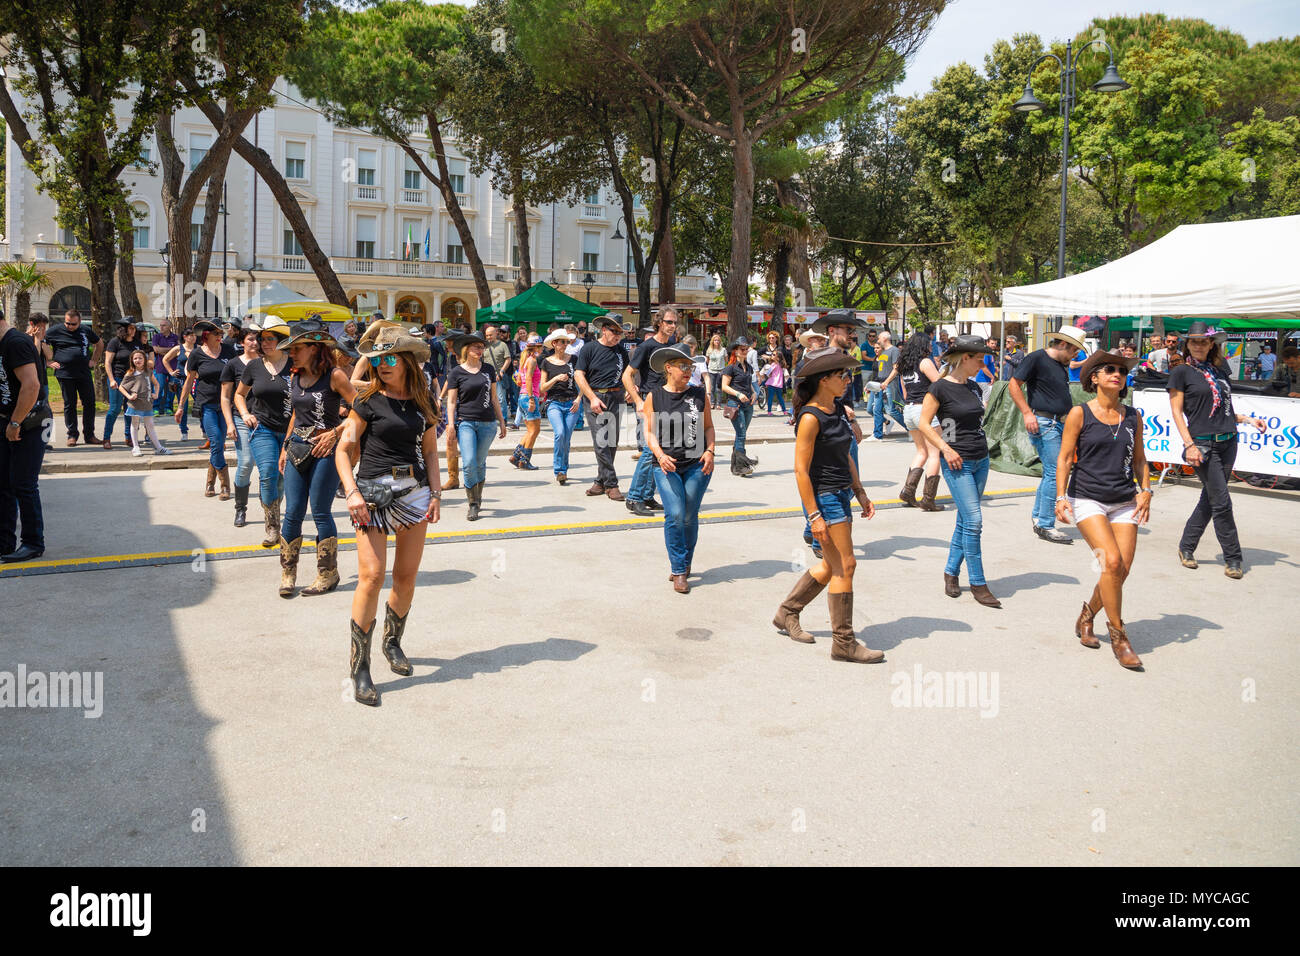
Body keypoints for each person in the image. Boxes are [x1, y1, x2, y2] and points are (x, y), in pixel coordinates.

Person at [336, 325, 442, 706]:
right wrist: (351, 493)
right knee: (371, 575)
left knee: (406, 576)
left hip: (414, 494)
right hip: (371, 495)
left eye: (390, 357)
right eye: (377, 358)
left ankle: (392, 641)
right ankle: (359, 665)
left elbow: (430, 450)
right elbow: (343, 450)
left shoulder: (422, 400)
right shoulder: (366, 399)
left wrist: (436, 492)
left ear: (407, 361)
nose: (382, 365)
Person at [774, 347, 882, 662]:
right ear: (824, 380)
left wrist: (859, 490)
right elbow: (800, 470)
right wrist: (814, 515)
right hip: (824, 499)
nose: (848, 380)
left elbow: (844, 453)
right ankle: (843, 643)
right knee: (845, 566)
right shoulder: (810, 417)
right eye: (841, 375)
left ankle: (787, 612)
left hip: (841, 495)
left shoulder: (836, 409)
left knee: (830, 565)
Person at [1055, 349, 1150, 670]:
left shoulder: (1133, 416)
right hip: (1087, 498)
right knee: (1110, 561)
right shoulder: (1079, 413)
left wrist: (1146, 490)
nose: (1117, 374)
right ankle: (1119, 635)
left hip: (1124, 499)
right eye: (1109, 369)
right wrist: (1060, 497)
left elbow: (1139, 459)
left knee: (1119, 571)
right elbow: (1065, 458)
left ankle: (1086, 616)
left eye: (1122, 371)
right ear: (1093, 377)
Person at [1167, 322, 1267, 579]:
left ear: (1212, 344)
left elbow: (1224, 407)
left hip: (1228, 441)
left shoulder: (1219, 369)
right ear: (1187, 344)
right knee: (1221, 501)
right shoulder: (1181, 372)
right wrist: (1189, 444)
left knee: (1211, 498)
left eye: (1204, 341)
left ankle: (1186, 547)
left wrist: (1247, 420)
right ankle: (1233, 558)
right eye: (1194, 341)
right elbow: (1176, 412)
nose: (1199, 345)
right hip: (1202, 444)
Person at [917, 335, 1002, 608]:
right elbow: (924, 423)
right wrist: (946, 448)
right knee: (975, 521)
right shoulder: (940, 388)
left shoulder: (976, 387)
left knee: (966, 520)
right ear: (965, 358)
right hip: (957, 462)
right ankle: (978, 582)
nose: (982, 364)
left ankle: (950, 573)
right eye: (979, 359)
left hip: (981, 459)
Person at [277, 320, 358, 597]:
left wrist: (335, 433)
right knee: (292, 512)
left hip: (326, 450)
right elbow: (295, 417)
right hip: (297, 447)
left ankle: (327, 573)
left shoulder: (335, 376)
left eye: (297, 348)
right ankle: (288, 572)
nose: (292, 353)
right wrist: (284, 447)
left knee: (321, 511)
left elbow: (360, 410)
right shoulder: (294, 377)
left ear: (314, 348)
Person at [641, 343, 715, 593]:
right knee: (674, 514)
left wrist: (710, 451)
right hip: (665, 465)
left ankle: (685, 562)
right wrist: (660, 456)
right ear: (668, 368)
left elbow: (708, 428)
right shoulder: (655, 396)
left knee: (688, 516)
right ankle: (679, 569)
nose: (688, 370)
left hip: (697, 465)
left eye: (691, 366)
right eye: (683, 366)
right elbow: (649, 432)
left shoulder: (698, 394)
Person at [1007, 325, 1088, 545]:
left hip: (1056, 423)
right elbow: (1014, 385)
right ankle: (1045, 523)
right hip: (1045, 423)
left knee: (1051, 473)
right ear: (1063, 344)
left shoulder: (1059, 364)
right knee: (1055, 472)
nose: (1075, 356)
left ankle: (1039, 516)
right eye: (1074, 351)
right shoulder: (1036, 358)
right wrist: (1026, 413)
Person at [235, 318, 293, 548]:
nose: (264, 343)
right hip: (263, 429)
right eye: (262, 339)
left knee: (281, 479)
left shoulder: (295, 365)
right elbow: (239, 395)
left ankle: (274, 510)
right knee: (268, 473)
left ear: (281, 341)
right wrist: (245, 414)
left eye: (270, 339)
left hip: (290, 430)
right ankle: (272, 526)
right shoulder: (254, 366)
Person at [0, 306, 51, 562]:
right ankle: (5, 542)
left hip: (30, 422)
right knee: (4, 484)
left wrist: (15, 423)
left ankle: (33, 542)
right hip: (10, 421)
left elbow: (31, 387)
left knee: (23, 484)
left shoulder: (15, 342)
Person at [444, 332, 507, 521]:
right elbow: (452, 401)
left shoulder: (488, 369)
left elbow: (494, 398)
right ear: (466, 349)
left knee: (480, 462)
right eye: (476, 347)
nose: (480, 350)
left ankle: (477, 498)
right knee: (469, 462)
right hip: (465, 422)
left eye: (482, 347)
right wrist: (450, 424)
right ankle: (472, 504)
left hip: (488, 423)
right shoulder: (456, 372)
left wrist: (502, 422)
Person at [623, 310, 678, 515]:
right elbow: (627, 376)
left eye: (675, 322)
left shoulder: (671, 346)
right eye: (669, 322)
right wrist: (637, 400)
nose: (672, 325)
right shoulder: (646, 346)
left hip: (668, 400)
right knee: (649, 451)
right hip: (650, 400)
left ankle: (647, 495)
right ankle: (634, 497)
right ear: (659, 322)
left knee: (660, 451)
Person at [175, 320, 236, 499]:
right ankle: (225, 485)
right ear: (206, 335)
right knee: (217, 441)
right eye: (216, 334)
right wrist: (180, 407)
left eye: (221, 333)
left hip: (226, 406)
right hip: (206, 404)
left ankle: (210, 482)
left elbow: (237, 376)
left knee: (217, 444)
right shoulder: (196, 354)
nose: (220, 336)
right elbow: (188, 381)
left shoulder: (228, 351)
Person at [574, 314, 632, 501]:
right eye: (614, 332)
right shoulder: (589, 348)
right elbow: (579, 375)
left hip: (616, 396)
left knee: (611, 443)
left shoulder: (621, 351)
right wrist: (591, 398)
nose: (618, 336)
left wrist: (632, 389)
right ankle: (612, 484)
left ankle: (600, 481)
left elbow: (627, 375)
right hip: (596, 396)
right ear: (604, 329)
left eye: (620, 333)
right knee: (601, 442)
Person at [894, 331, 946, 512]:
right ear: (923, 345)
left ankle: (908, 491)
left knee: (921, 451)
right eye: (929, 343)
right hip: (924, 409)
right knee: (935, 453)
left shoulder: (905, 364)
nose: (931, 346)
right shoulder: (925, 362)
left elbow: (904, 389)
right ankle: (928, 499)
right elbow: (939, 384)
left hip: (909, 409)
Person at [221, 328, 261, 526]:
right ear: (242, 342)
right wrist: (229, 423)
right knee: (245, 463)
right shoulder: (233, 364)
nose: (254, 343)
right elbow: (226, 396)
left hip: (266, 421)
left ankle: (270, 505)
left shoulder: (268, 363)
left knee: (268, 467)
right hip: (241, 419)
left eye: (257, 340)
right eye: (250, 339)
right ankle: (240, 509)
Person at [45, 309, 102, 446]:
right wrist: (48, 361)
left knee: (89, 403)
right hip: (65, 374)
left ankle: (89, 435)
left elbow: (99, 343)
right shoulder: (55, 330)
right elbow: (42, 342)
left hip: (83, 373)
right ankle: (72, 435)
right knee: (69, 404)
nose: (69, 326)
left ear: (79, 322)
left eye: (73, 324)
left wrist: (94, 360)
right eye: (67, 323)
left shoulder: (85, 330)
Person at [103, 317, 152, 449]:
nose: (133, 330)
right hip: (118, 379)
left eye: (134, 328)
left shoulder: (137, 343)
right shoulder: (115, 342)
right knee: (115, 408)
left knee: (130, 410)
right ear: (123, 329)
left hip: (134, 380)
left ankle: (129, 437)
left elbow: (141, 360)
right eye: (131, 328)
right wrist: (112, 379)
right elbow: (107, 362)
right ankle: (106, 438)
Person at [540, 329, 580, 485]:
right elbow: (542, 388)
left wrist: (578, 399)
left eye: (567, 341)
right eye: (562, 341)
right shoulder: (546, 362)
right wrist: (556, 378)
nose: (565, 344)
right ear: (554, 344)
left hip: (572, 402)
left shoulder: (574, 360)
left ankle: (564, 469)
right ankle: (559, 470)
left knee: (567, 437)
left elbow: (582, 381)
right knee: (560, 433)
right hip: (554, 402)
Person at [118, 349, 170, 456]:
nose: (138, 360)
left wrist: (156, 394)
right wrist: (129, 396)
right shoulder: (130, 373)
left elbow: (156, 384)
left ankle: (159, 447)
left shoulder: (148, 371)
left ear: (144, 360)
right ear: (132, 360)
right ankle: (136, 447)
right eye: (135, 358)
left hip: (147, 403)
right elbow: (121, 387)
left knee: (150, 425)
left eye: (140, 358)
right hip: (135, 403)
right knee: (135, 424)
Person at [720, 337, 757, 476]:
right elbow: (724, 386)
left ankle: (735, 466)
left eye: (747, 349)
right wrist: (738, 394)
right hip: (735, 405)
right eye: (742, 349)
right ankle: (742, 466)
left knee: (741, 435)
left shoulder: (749, 366)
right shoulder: (730, 368)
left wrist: (754, 393)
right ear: (735, 351)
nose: (745, 351)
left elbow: (750, 384)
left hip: (748, 404)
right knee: (741, 435)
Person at [511, 334, 545, 470]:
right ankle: (524, 460)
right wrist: (532, 398)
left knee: (531, 430)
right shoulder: (532, 361)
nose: (542, 349)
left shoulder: (525, 359)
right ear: (536, 347)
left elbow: (520, 380)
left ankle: (516, 456)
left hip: (523, 396)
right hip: (528, 397)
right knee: (534, 431)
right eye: (541, 346)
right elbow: (529, 379)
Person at [161, 327, 196, 441]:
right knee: (183, 407)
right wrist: (171, 372)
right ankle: (184, 431)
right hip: (181, 380)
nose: (194, 337)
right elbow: (165, 359)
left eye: (195, 335)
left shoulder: (198, 349)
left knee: (201, 405)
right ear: (185, 337)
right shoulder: (178, 348)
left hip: (196, 380)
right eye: (191, 335)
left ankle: (205, 430)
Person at [869, 331, 902, 439]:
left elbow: (896, 368)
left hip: (889, 384)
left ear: (884, 339)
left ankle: (911, 428)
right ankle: (877, 434)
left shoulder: (894, 350)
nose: (877, 340)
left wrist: (886, 382)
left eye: (879, 338)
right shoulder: (883, 352)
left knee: (890, 410)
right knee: (876, 410)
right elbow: (879, 370)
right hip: (880, 384)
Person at [482, 324, 513, 426]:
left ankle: (503, 419)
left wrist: (502, 371)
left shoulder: (502, 345)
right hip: (486, 376)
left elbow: (508, 359)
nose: (488, 337)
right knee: (487, 398)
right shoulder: (484, 346)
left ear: (496, 334)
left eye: (490, 335)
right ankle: (490, 418)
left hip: (498, 376)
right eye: (487, 335)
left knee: (500, 398)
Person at [151, 318, 179, 414]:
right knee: (159, 386)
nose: (161, 327)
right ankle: (155, 407)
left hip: (173, 367)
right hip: (160, 367)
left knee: (172, 387)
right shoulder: (156, 337)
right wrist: (172, 350)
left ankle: (169, 407)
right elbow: (156, 350)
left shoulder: (175, 337)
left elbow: (178, 351)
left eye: (164, 325)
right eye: (161, 325)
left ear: (170, 327)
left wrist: (163, 350)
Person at [760, 349, 789, 416]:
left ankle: (769, 412)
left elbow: (767, 373)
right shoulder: (782, 365)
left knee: (770, 397)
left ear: (778, 357)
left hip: (772, 383)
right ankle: (784, 411)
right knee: (780, 398)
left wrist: (769, 375)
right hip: (779, 384)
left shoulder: (773, 364)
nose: (771, 355)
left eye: (773, 354)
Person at [705, 333, 728, 407]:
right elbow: (707, 360)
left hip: (720, 371)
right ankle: (712, 403)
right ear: (712, 341)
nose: (717, 341)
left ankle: (718, 404)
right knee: (711, 388)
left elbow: (726, 359)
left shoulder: (723, 350)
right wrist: (711, 366)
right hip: (711, 370)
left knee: (718, 388)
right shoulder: (709, 350)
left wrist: (722, 366)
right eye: (715, 340)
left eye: (718, 340)